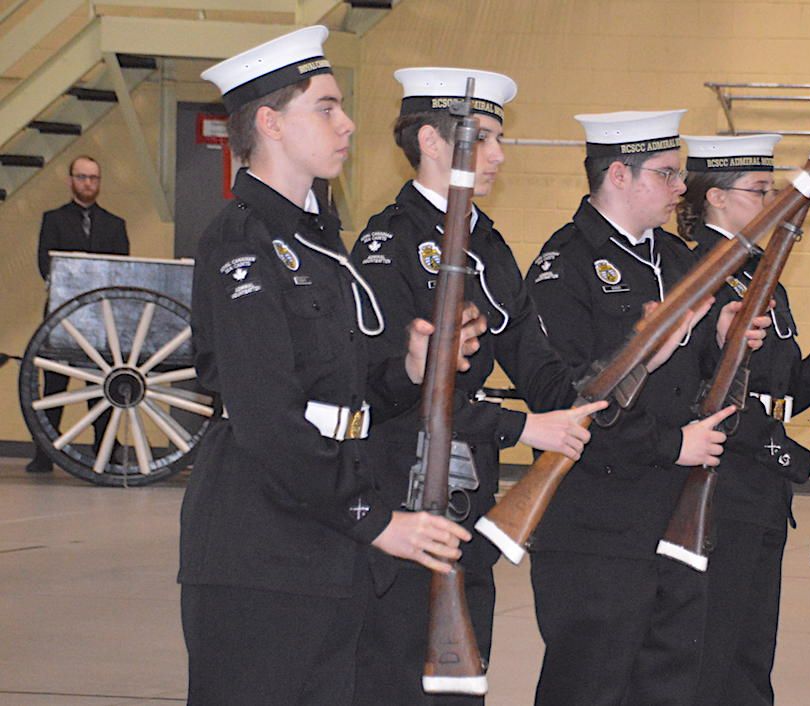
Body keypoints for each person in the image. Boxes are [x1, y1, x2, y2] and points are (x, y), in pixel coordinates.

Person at [179, 28, 479, 706]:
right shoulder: (243, 242)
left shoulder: (318, 241)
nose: (347, 124)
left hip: (323, 544)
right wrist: (377, 519)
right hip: (261, 550)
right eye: (326, 107)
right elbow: (268, 419)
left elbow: (348, 394)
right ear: (269, 123)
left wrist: (409, 368)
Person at [349, 66, 623, 705]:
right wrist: (525, 428)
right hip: (404, 499)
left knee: (461, 682)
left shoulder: (488, 245)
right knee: (396, 679)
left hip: (469, 504)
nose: (500, 155)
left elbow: (540, 368)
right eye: (486, 137)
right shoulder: (390, 244)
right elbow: (395, 392)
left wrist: (624, 369)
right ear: (433, 143)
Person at [523, 110, 765, 706]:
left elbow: (700, 381)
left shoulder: (680, 264)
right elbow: (569, 397)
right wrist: (668, 445)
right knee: (592, 681)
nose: (681, 188)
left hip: (675, 512)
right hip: (596, 521)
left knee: (668, 680)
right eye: (665, 174)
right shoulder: (564, 267)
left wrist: (723, 337)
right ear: (619, 176)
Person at [677, 133, 810, 705]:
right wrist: (803, 461)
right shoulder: (699, 274)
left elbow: (776, 394)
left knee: (752, 649)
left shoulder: (763, 276)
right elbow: (711, 395)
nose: (769, 201)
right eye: (758, 190)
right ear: (715, 198)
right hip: (721, 483)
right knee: (714, 646)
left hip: (759, 486)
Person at [26, 155, 129, 473]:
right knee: (54, 387)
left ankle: (106, 448)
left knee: (103, 387)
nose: (88, 183)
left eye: (94, 178)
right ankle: (45, 453)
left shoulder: (115, 224)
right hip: (61, 317)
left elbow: (121, 271)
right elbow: (47, 265)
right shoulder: (53, 219)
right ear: (71, 180)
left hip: (102, 321)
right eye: (82, 177)